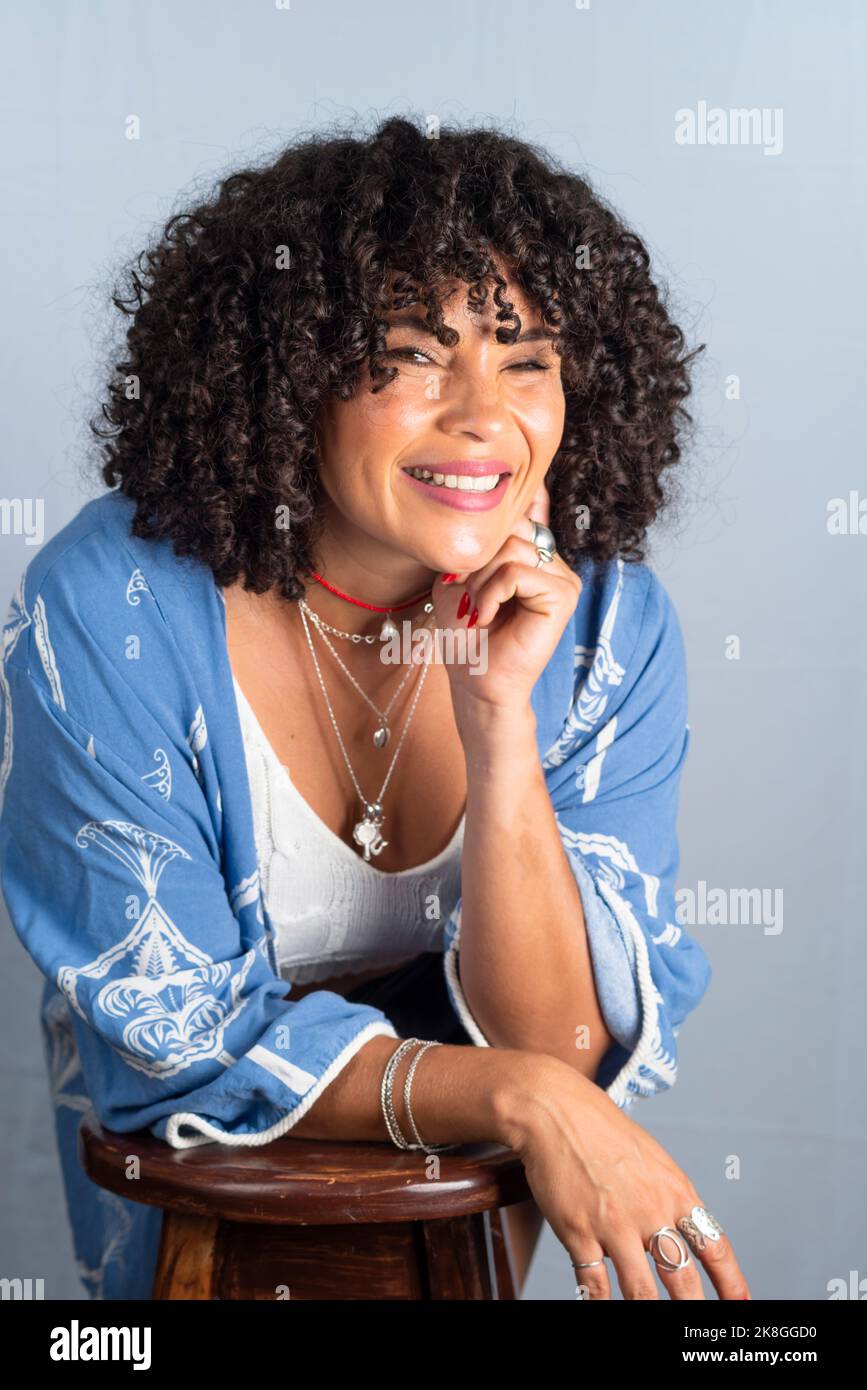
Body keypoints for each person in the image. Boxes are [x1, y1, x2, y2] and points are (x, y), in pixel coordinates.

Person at [0, 114, 749, 1300]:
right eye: (408, 354)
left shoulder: (604, 630)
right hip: (206, 1208)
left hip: (449, 1225)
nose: (481, 415)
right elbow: (181, 1031)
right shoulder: (108, 607)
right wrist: (518, 1093)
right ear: (287, 374)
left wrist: (499, 725)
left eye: (527, 358)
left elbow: (561, 1038)